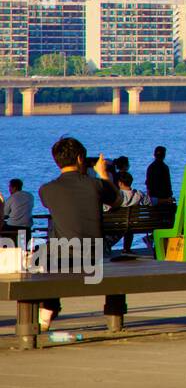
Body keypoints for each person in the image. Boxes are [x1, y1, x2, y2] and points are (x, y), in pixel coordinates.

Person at [37, 137, 123, 332]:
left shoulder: (47, 190)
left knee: (44, 256)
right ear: (79, 158)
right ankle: (114, 314)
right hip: (95, 256)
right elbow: (117, 201)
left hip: (60, 258)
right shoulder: (96, 185)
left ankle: (47, 309)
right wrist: (102, 174)